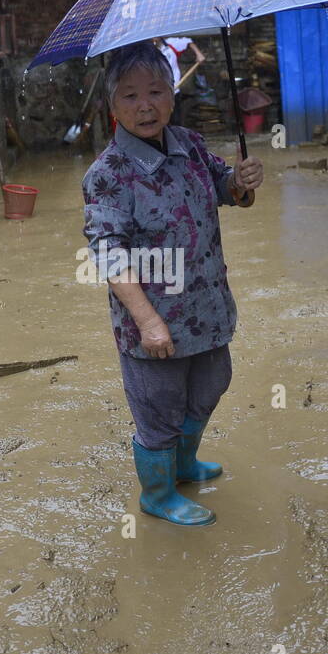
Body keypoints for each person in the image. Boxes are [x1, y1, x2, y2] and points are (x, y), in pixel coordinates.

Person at [82, 41, 263, 527]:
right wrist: (147, 320)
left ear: (172, 95)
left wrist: (242, 182)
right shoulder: (108, 175)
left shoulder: (189, 144)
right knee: (158, 410)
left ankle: (184, 465)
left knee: (210, 383)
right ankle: (158, 494)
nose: (145, 105)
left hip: (206, 305)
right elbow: (107, 252)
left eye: (156, 91)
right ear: (112, 107)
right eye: (130, 96)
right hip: (154, 318)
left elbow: (226, 189)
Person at [155, 36, 205, 125]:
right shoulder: (147, 51)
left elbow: (188, 41)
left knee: (176, 121)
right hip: (157, 93)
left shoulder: (170, 44)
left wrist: (198, 54)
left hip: (174, 90)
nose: (154, 38)